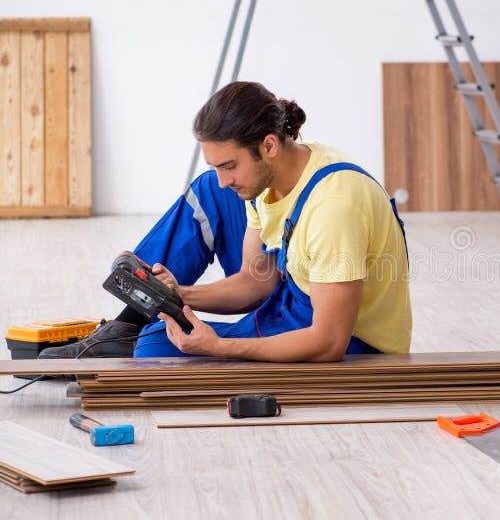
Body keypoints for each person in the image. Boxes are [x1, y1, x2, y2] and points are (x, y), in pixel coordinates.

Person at [40, 81, 411, 362]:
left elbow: (330, 342)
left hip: (349, 343)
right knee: (210, 192)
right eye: (217, 164)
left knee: (155, 348)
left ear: (269, 146)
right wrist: (177, 296)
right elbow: (256, 280)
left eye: (229, 165)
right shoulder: (270, 180)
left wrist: (219, 346)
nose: (224, 177)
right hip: (294, 298)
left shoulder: (334, 208)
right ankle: (132, 318)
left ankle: (133, 334)